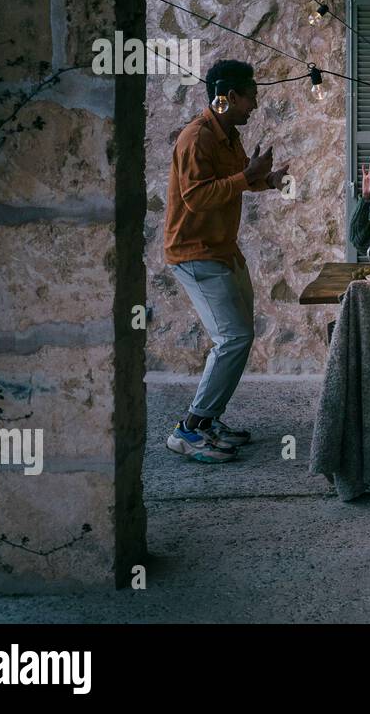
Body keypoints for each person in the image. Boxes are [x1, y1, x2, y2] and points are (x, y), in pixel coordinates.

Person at [164, 59, 290, 463]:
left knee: (239, 337)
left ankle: (209, 419)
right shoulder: (196, 138)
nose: (254, 104)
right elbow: (196, 197)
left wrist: (264, 179)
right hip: (195, 253)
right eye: (251, 96)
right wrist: (247, 174)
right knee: (233, 338)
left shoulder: (228, 135)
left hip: (223, 250)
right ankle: (189, 429)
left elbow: (233, 182)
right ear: (229, 96)